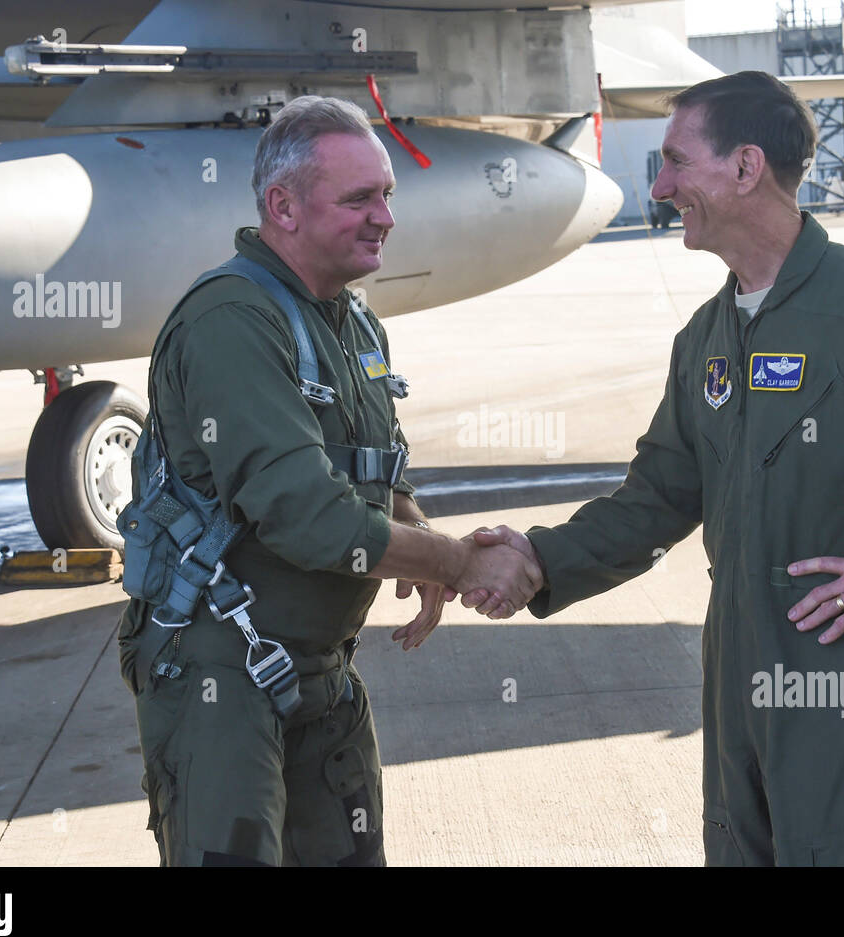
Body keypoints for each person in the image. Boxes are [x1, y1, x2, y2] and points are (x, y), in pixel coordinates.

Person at [466, 71, 844, 865]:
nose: (660, 185)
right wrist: (539, 558)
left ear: (746, 168)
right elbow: (657, 500)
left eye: (677, 161)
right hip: (737, 683)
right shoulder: (706, 338)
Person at [113, 95, 540, 867]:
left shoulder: (349, 318)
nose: (385, 217)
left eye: (387, 196)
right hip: (222, 678)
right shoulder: (233, 323)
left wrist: (419, 536)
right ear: (283, 206)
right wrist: (455, 562)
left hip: (321, 672)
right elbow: (306, 516)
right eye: (359, 199)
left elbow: (380, 473)